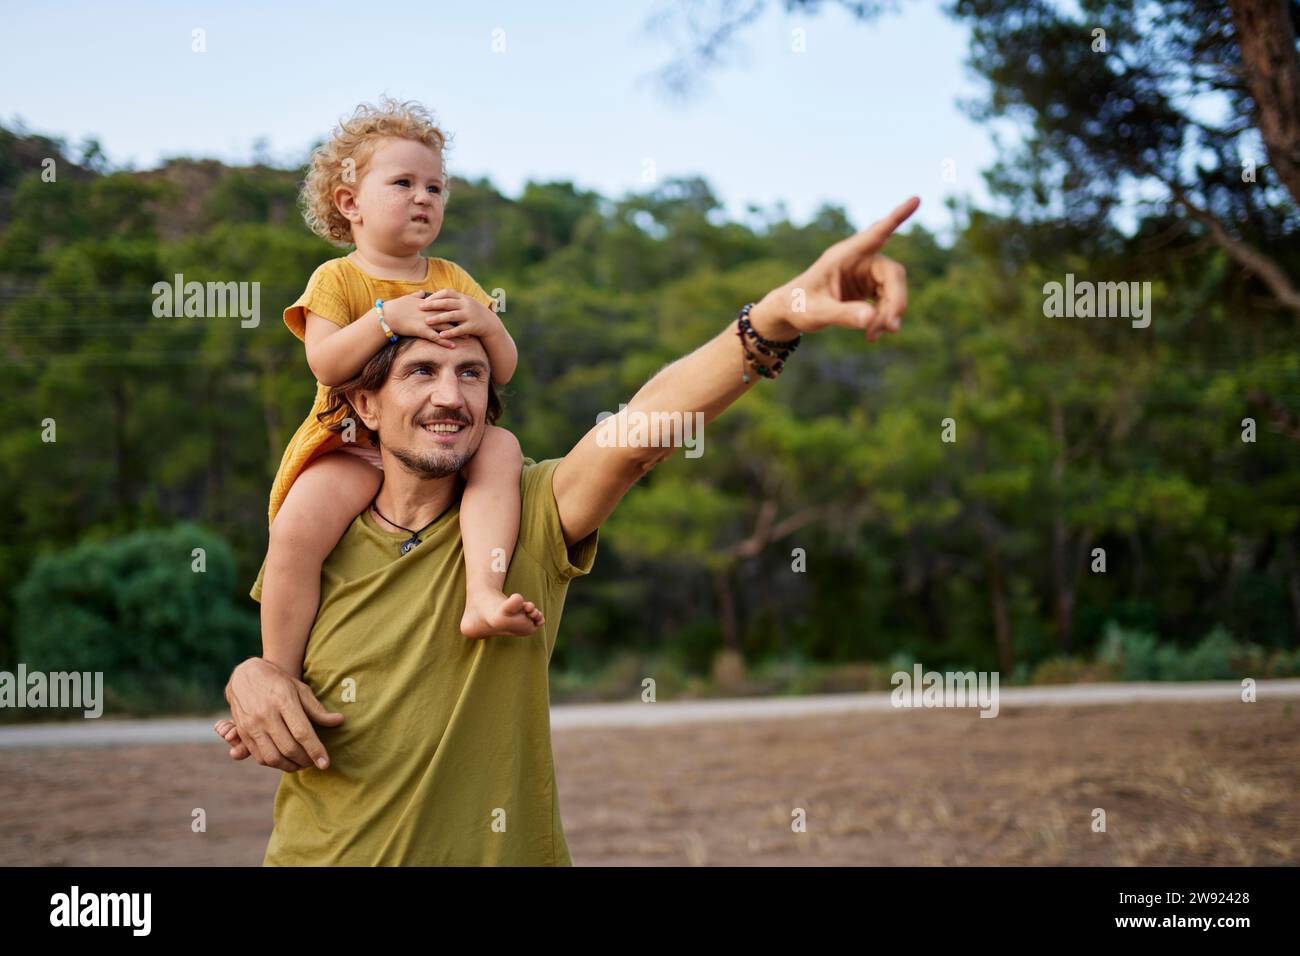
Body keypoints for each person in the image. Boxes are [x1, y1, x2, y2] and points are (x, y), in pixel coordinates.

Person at [216, 195, 920, 865]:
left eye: (471, 374)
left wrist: (774, 318)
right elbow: (274, 673)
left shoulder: (525, 517)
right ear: (364, 404)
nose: (450, 396)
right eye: (422, 371)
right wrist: (254, 675)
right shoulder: (317, 530)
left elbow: (641, 430)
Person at [254, 97, 539, 698]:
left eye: (436, 188)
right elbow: (327, 364)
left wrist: (486, 325)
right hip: (349, 442)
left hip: (440, 436)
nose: (423, 198)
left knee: (504, 449)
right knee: (297, 530)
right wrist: (388, 317)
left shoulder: (453, 279)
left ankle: (482, 595)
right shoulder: (339, 278)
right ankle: (279, 670)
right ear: (350, 203)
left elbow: (504, 369)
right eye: (404, 182)